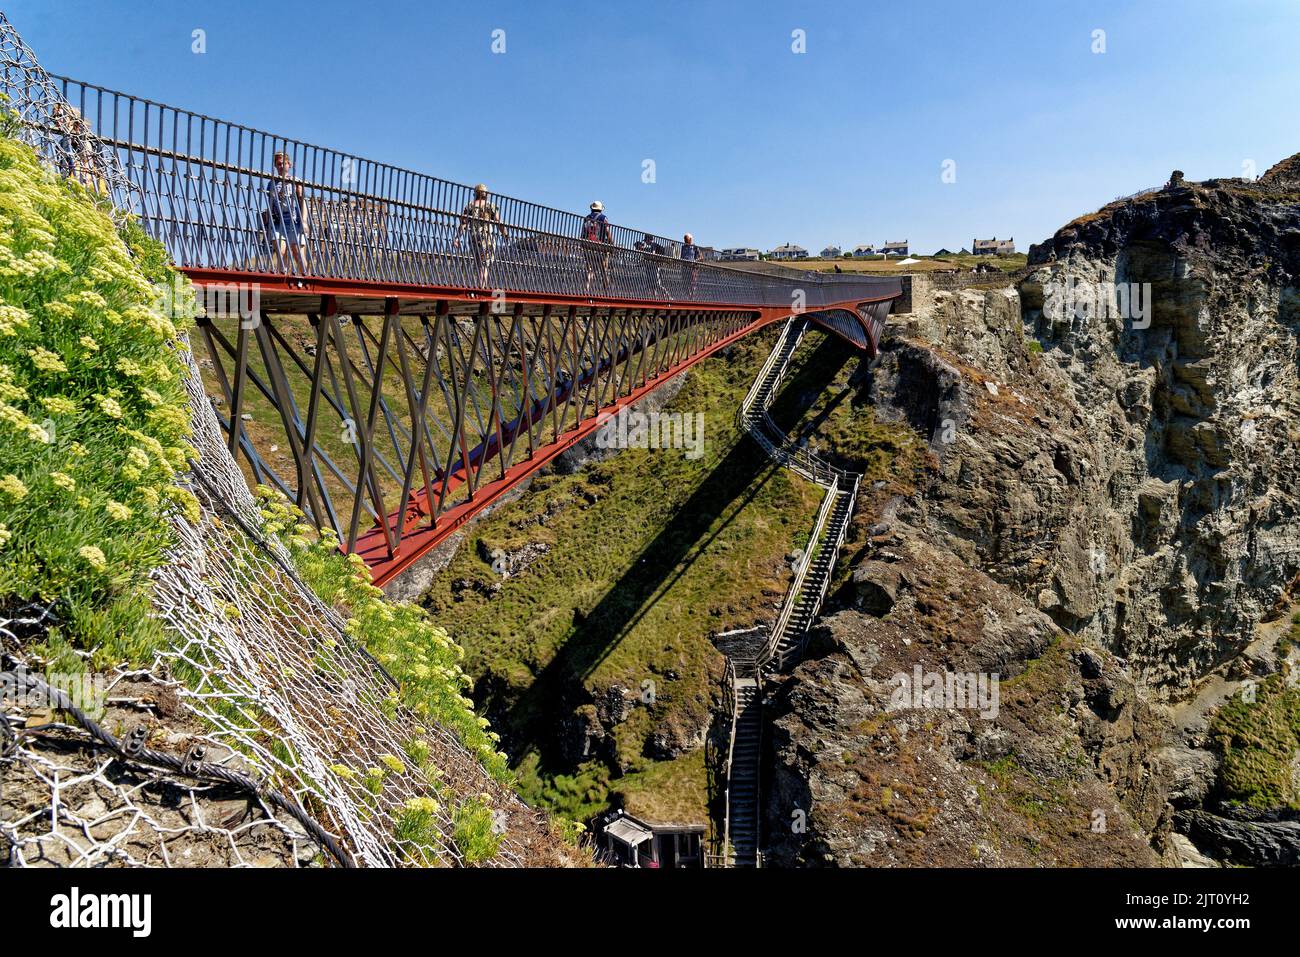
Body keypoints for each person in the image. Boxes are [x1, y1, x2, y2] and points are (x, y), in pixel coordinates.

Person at [263, 151, 309, 283]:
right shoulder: (272, 183)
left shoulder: (295, 181)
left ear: (290, 164)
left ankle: (304, 278)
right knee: (281, 250)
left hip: (294, 220)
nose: (281, 166)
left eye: (284, 163)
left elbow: (302, 201)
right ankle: (281, 278)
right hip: (279, 221)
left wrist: (304, 221)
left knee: (297, 252)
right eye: (278, 164)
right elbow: (271, 203)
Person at [454, 183, 508, 288]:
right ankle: (482, 286)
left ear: (475, 193)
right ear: (485, 194)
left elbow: (463, 223)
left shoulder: (470, 205)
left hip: (473, 237)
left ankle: (480, 284)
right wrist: (505, 234)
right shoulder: (490, 205)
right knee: (485, 264)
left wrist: (457, 238)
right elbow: (498, 222)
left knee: (479, 263)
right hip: (487, 237)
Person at [581, 200, 613, 293]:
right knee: (603, 268)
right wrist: (611, 244)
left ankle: (586, 288)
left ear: (592, 208)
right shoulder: (603, 218)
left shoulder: (586, 218)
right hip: (599, 246)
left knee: (590, 269)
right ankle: (606, 290)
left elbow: (583, 232)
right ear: (601, 209)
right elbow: (607, 232)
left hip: (588, 245)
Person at [634, 232, 669, 298]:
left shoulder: (653, 245)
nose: (646, 243)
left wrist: (646, 260)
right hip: (653, 266)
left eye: (646, 241)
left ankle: (668, 296)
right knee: (652, 285)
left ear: (648, 239)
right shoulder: (649, 248)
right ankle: (655, 298)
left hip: (655, 266)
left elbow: (653, 254)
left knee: (657, 284)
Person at [680, 232, 701, 297]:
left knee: (692, 284)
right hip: (684, 268)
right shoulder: (683, 247)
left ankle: (692, 297)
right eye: (685, 240)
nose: (685, 241)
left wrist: (694, 261)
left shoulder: (694, 247)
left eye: (687, 239)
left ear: (690, 239)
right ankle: (687, 297)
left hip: (692, 268)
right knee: (684, 284)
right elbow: (681, 257)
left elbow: (701, 257)